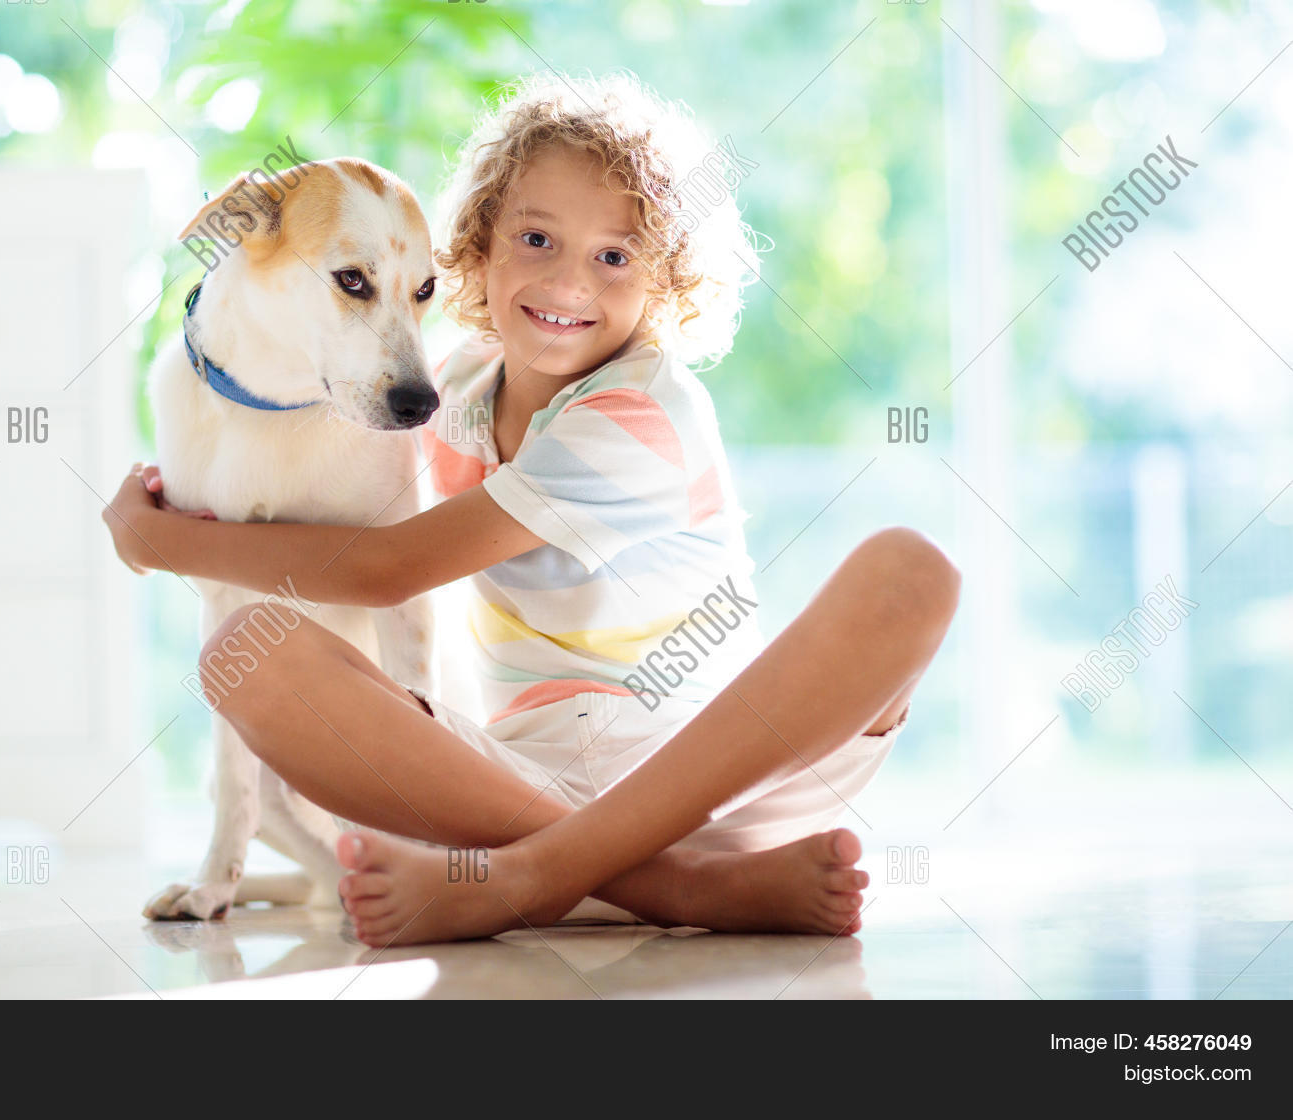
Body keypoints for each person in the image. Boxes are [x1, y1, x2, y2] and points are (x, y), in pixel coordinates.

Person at [103, 72, 959, 947]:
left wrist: (159, 540)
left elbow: (387, 571)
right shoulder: (457, 386)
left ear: (666, 282)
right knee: (244, 656)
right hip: (518, 786)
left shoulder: (639, 412)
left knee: (912, 571)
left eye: (615, 256)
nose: (571, 282)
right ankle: (678, 886)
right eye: (538, 237)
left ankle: (536, 880)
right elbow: (307, 444)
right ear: (474, 250)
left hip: (720, 772)